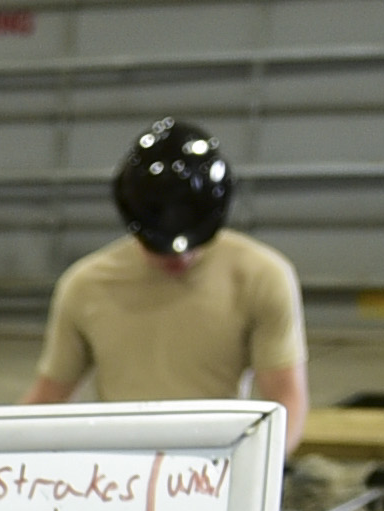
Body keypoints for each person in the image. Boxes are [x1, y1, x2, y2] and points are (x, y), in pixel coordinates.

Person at [22, 119, 306, 449]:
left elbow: (286, 398)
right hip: (121, 472)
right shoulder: (85, 286)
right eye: (159, 245)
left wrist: (264, 470)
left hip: (216, 466)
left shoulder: (261, 276)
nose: (179, 259)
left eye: (194, 243)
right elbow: (48, 397)